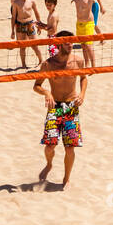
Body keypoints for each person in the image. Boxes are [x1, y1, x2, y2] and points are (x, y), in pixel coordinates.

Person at [33, 36, 88, 189]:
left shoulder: (78, 61)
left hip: (71, 107)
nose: (71, 45)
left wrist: (82, 95)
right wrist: (46, 93)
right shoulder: (48, 64)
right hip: (55, 107)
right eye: (67, 42)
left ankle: (66, 179)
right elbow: (36, 85)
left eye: (71, 42)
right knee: (49, 147)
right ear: (59, 44)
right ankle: (49, 164)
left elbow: (84, 78)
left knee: (70, 148)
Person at [67, 0, 102, 67]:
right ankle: (87, 63)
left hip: (88, 23)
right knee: (83, 45)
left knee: (89, 45)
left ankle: (94, 65)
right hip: (79, 23)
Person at [13, 0, 44, 67]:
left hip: (30, 24)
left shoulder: (31, 1)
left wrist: (39, 25)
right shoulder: (16, 3)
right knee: (22, 47)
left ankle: (41, 60)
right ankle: (23, 65)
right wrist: (12, 30)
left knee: (34, 45)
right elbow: (13, 18)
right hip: (19, 25)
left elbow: (37, 13)